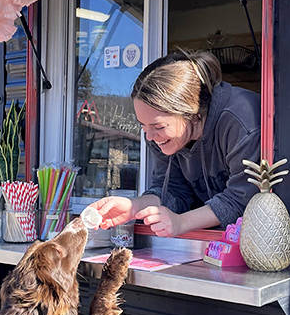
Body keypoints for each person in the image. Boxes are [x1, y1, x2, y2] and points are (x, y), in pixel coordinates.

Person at [91, 50, 260, 237]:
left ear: (191, 113)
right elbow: (172, 189)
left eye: (158, 126)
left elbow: (243, 199)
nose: (149, 137)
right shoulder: (159, 137)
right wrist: (133, 207)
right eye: (143, 126)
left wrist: (181, 222)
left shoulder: (240, 121)